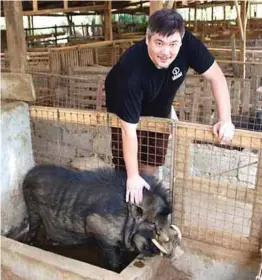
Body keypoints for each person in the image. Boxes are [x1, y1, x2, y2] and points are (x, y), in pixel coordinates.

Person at [105, 9, 235, 205]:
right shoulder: (130, 73)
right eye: (159, 43)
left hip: (159, 107)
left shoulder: (189, 45)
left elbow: (216, 76)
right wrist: (132, 176)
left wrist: (226, 119)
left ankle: (145, 209)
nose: (166, 52)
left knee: (149, 169)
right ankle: (124, 211)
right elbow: (128, 131)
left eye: (173, 44)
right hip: (123, 106)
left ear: (181, 42)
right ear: (147, 39)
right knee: (125, 173)